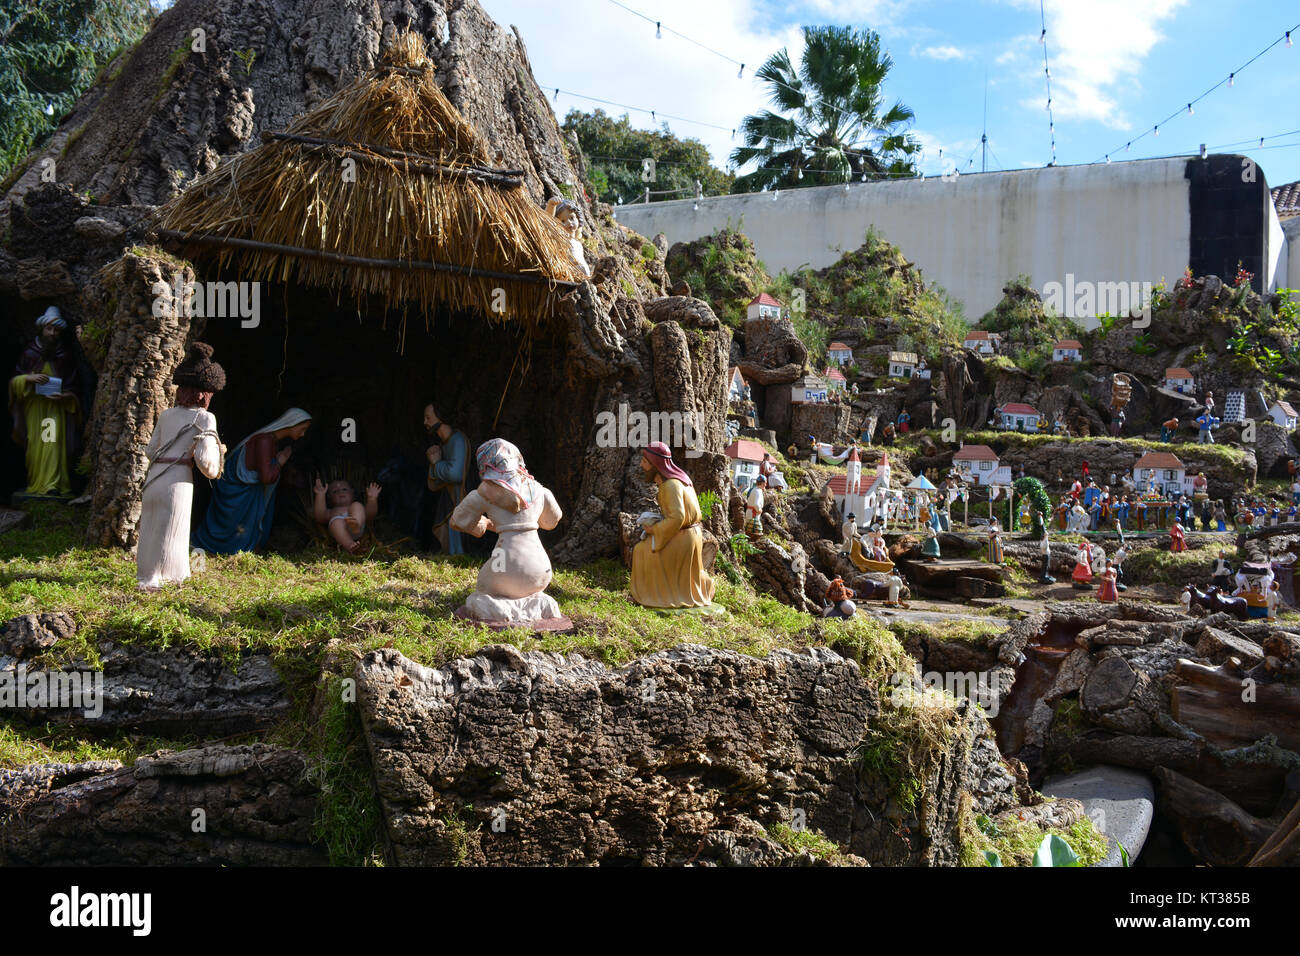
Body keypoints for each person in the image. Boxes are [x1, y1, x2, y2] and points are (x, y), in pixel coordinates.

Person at [136, 343, 226, 590]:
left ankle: (146, 576)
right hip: (178, 479)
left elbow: (150, 450)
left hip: (154, 477)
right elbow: (207, 463)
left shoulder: (166, 415)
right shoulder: (205, 417)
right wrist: (219, 456)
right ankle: (167, 578)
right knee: (172, 529)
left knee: (151, 528)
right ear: (205, 394)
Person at [450, 438, 565, 624]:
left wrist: (483, 524)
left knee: (483, 587)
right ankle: (541, 605)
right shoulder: (541, 490)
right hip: (540, 567)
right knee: (533, 586)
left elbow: (457, 521)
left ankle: (497, 610)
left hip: (504, 564)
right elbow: (551, 521)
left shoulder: (485, 493)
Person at [192, 409, 312, 554]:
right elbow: (266, 477)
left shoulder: (271, 441)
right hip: (239, 491)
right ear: (293, 424)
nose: (302, 434)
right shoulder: (265, 441)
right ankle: (231, 547)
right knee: (234, 526)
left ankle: (247, 545)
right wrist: (280, 462)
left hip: (247, 491)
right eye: (302, 429)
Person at [629, 442, 716, 608]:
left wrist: (654, 529)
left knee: (642, 550)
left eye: (645, 462)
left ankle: (655, 595)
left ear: (655, 465)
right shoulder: (677, 481)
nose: (642, 465)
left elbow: (677, 518)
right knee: (644, 548)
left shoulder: (669, 485)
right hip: (687, 535)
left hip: (684, 538)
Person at [9, 306, 82, 496]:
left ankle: (52, 485)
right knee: (35, 443)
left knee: (51, 442)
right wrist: (27, 379)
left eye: (57, 330)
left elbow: (73, 385)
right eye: (49, 329)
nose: (52, 333)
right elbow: (14, 381)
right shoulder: (30, 353)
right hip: (34, 407)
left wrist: (65, 396)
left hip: (53, 408)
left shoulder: (64, 356)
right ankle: (36, 482)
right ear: (42, 329)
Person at [424, 402, 469, 555]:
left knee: (456, 525)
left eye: (428, 418)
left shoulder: (457, 440)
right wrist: (435, 466)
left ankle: (458, 554)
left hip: (460, 497)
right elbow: (435, 482)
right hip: (449, 497)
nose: (425, 422)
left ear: (441, 418)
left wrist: (436, 464)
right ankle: (453, 553)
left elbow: (455, 474)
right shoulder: (443, 445)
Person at [314, 478, 380, 554]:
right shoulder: (332, 511)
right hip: (340, 533)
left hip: (358, 528)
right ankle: (350, 545)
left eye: (344, 489)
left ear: (352, 492)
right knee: (336, 522)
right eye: (335, 491)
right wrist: (320, 495)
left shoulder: (355, 506)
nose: (340, 492)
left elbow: (370, 515)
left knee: (357, 505)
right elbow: (320, 517)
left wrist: (372, 499)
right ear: (329, 497)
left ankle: (356, 524)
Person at [744, 474, 766, 539]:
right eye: (765, 483)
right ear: (762, 483)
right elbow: (756, 504)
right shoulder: (758, 491)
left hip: (749, 511)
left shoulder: (753, 489)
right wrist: (759, 510)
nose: (765, 484)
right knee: (752, 532)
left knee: (747, 530)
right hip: (754, 513)